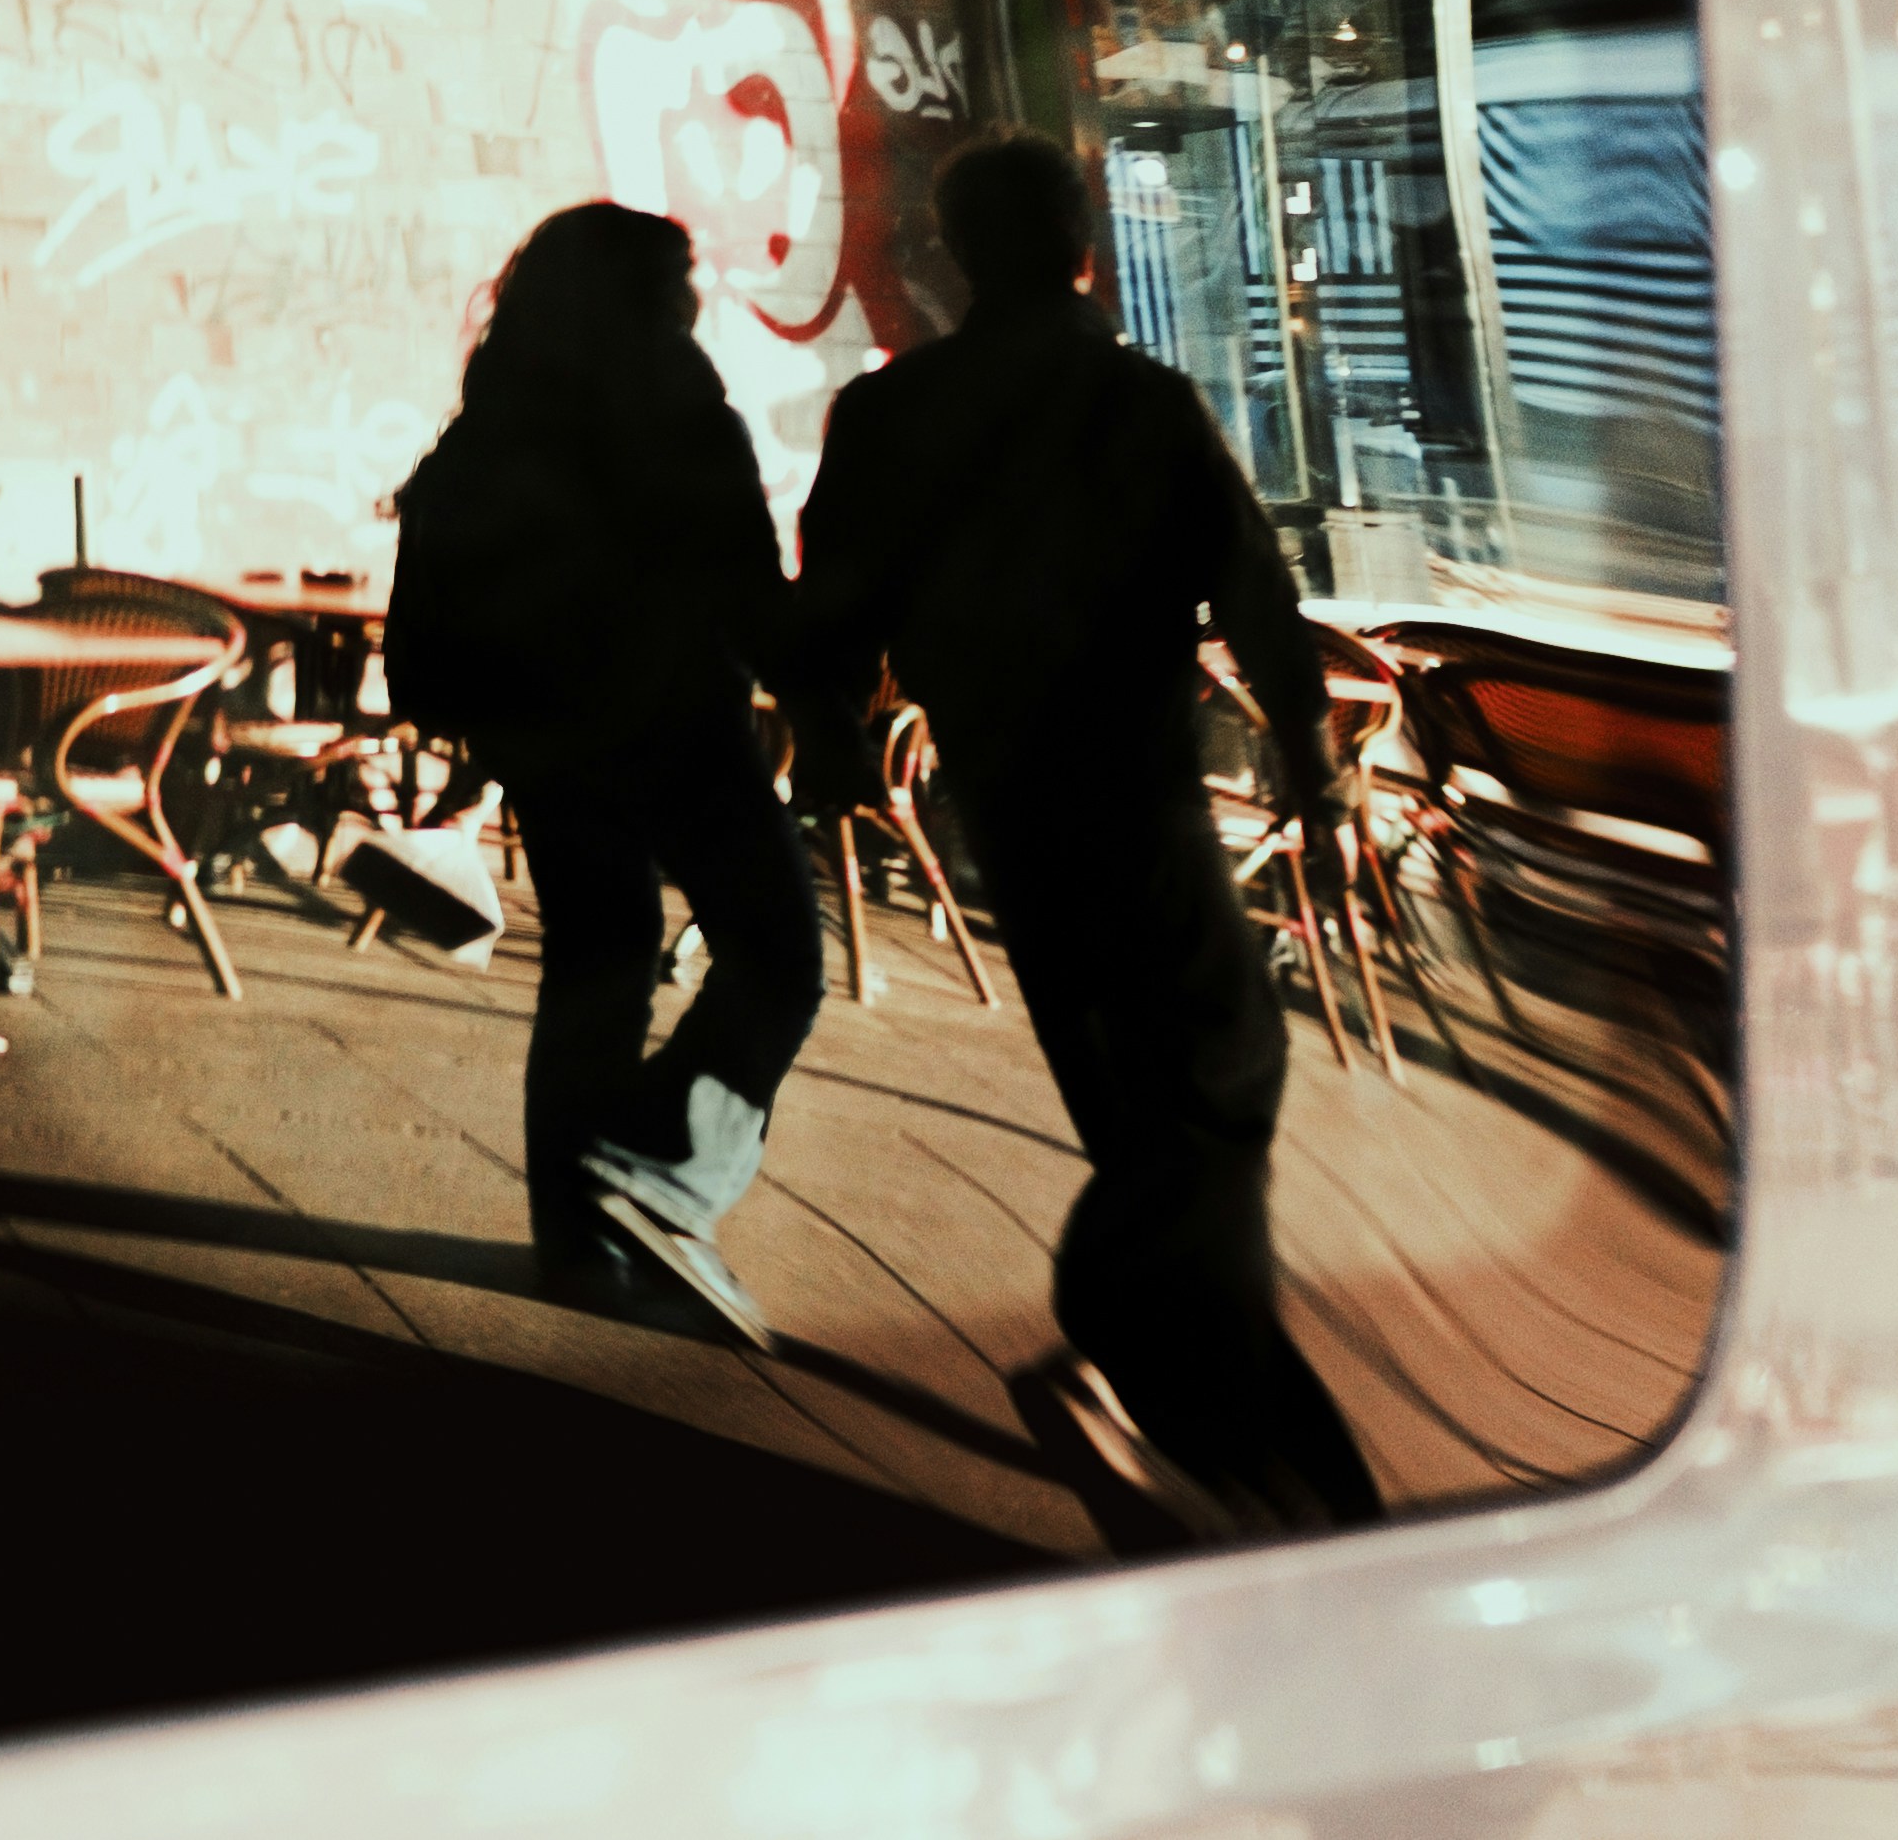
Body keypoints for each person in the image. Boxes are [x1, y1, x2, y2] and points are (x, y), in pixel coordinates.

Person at [782, 130, 1383, 1533]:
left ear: (952, 256)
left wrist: (830, 744)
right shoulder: (1138, 399)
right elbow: (1255, 597)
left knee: (1126, 1097)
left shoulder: (885, 412)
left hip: (999, 800)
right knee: (1222, 1072)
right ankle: (1122, 1332)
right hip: (1139, 787)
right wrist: (1311, 771)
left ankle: (1207, 1412)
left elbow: (828, 611)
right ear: (1082, 250)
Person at [389, 201, 814, 1345]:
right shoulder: (674, 396)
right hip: (676, 723)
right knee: (778, 951)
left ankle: (578, 1242)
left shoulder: (500, 404)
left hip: (543, 734)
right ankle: (656, 1168)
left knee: (596, 961)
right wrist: (818, 699)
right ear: (647, 292)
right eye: (679, 276)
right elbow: (742, 579)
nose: (693, 295)